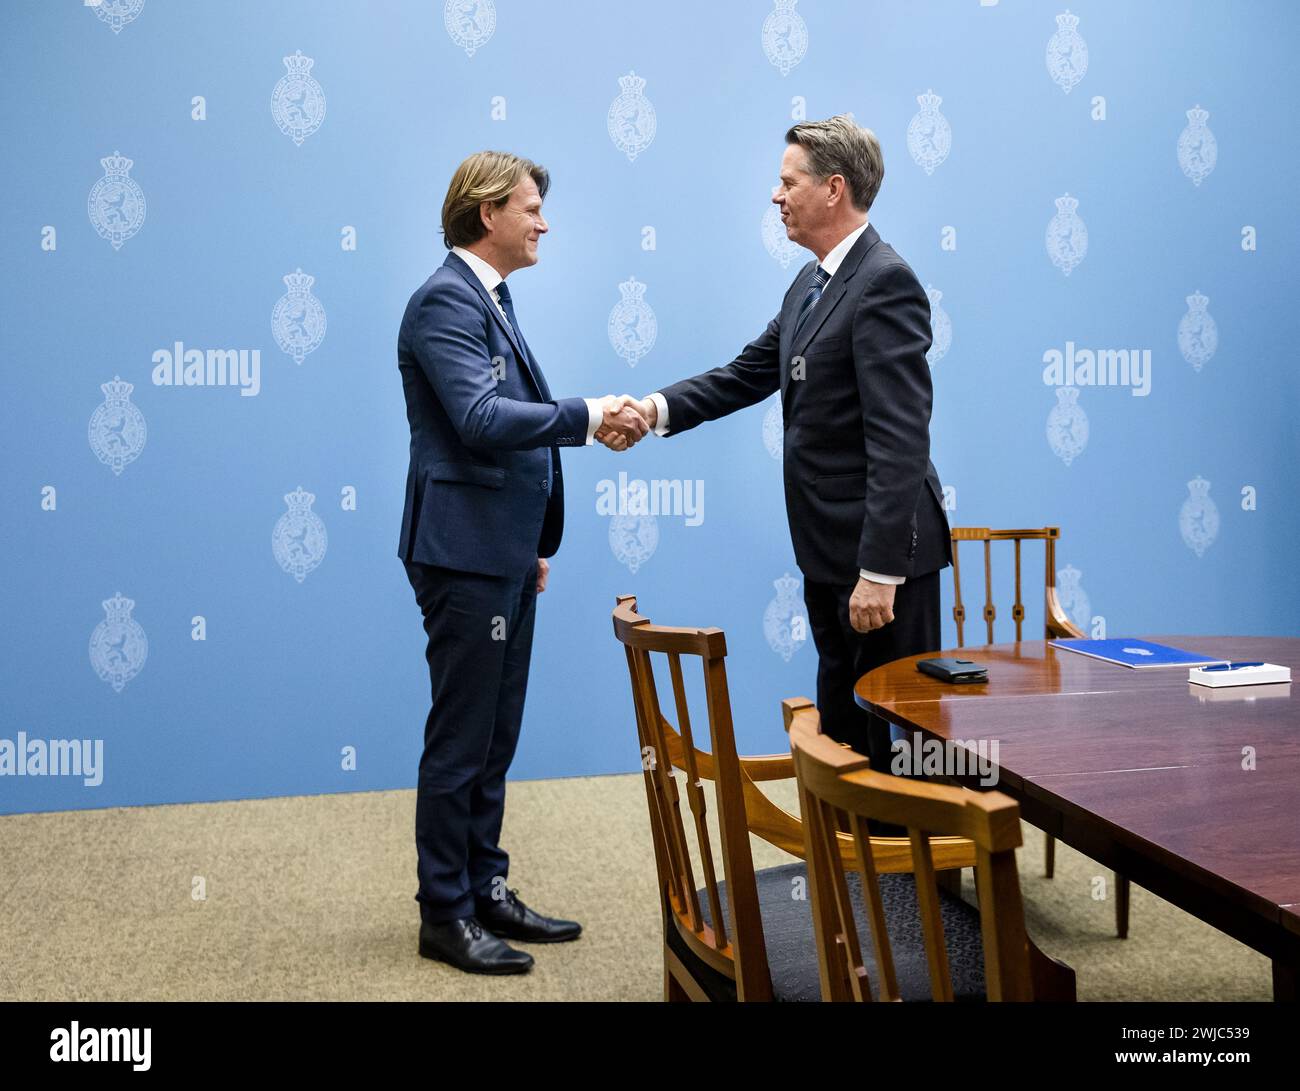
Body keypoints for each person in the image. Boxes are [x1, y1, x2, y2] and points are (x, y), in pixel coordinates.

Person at [626, 115, 952, 778]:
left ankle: (905, 879)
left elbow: (901, 437)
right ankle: (847, 875)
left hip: (881, 561)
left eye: (787, 182)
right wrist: (650, 411)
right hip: (828, 551)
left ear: (833, 190)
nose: (775, 196)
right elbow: (746, 373)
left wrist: (880, 571)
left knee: (895, 735)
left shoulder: (886, 282)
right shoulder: (809, 284)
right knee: (842, 721)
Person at [396, 150, 648, 975]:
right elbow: (477, 417)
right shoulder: (444, 301)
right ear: (485, 216)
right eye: (531, 207)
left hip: (498, 554)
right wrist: (588, 414)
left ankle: (483, 885)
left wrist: (531, 543)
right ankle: (445, 912)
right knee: (462, 737)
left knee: (494, 735)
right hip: (463, 558)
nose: (544, 221)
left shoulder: (487, 301)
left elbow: (503, 427)